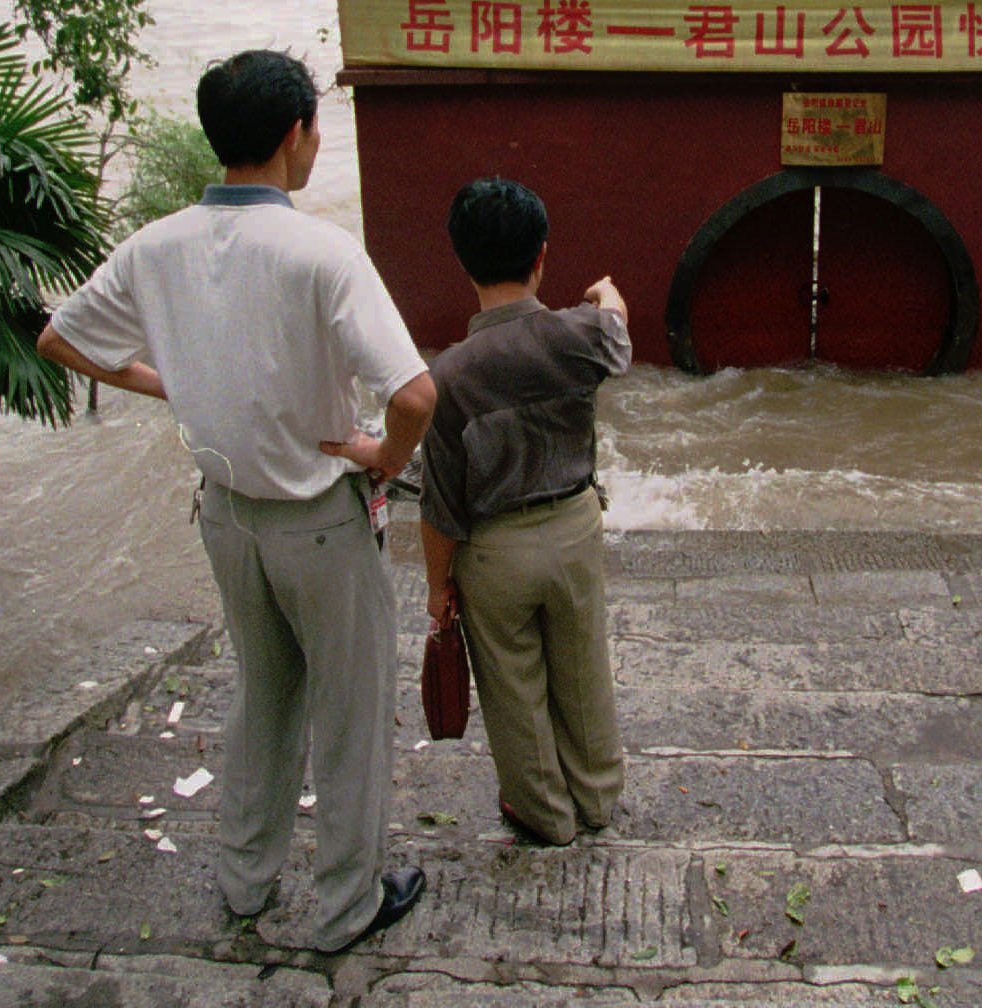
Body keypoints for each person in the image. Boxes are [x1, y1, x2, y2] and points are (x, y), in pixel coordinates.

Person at [36, 49, 436, 952]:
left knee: (262, 697)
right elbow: (414, 397)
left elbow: (60, 339)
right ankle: (347, 907)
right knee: (350, 710)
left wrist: (178, 385)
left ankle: (246, 881)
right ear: (296, 135)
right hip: (321, 527)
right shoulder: (322, 251)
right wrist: (382, 457)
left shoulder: (158, 244)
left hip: (226, 516)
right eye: (315, 127)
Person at [418, 177, 629, 845]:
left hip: (494, 550)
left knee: (512, 691)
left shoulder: (447, 377)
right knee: (583, 667)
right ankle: (597, 797)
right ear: (541, 254)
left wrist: (437, 589)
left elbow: (441, 502)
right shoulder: (582, 336)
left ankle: (544, 814)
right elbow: (617, 328)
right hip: (574, 530)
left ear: (462, 260)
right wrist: (602, 291)